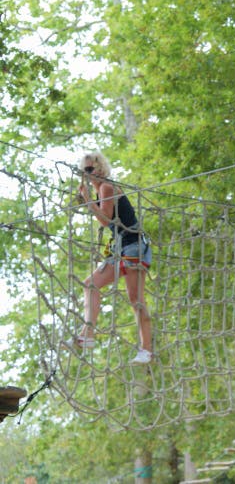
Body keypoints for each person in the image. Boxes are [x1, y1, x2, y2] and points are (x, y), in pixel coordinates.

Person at [67, 151, 153, 365]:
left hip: (134, 248)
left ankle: (147, 350)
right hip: (121, 248)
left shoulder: (107, 187)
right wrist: (89, 200)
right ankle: (87, 334)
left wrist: (88, 199)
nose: (89, 173)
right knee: (90, 284)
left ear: (101, 168)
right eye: (85, 170)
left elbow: (105, 220)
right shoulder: (101, 191)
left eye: (92, 168)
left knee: (136, 300)